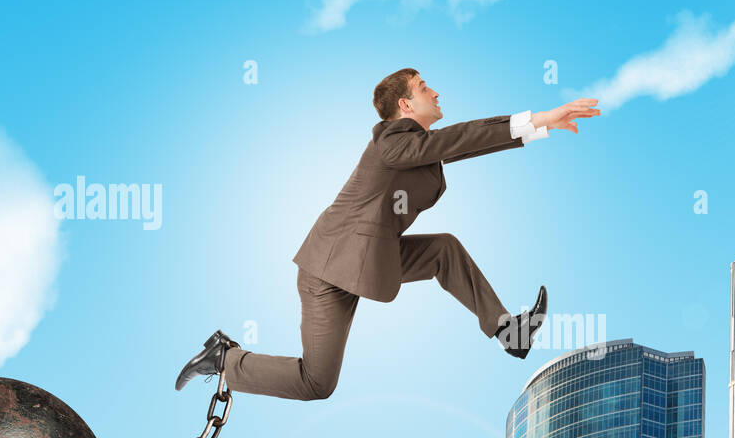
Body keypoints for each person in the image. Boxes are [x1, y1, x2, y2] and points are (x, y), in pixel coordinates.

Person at [175, 68, 599, 399]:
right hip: (328, 273)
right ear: (405, 104)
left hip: (366, 263)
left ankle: (510, 333)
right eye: (424, 86)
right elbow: (458, 139)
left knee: (443, 251)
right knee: (316, 382)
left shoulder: (414, 148)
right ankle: (226, 359)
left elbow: (459, 145)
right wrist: (541, 118)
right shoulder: (392, 140)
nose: (435, 92)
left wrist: (538, 128)